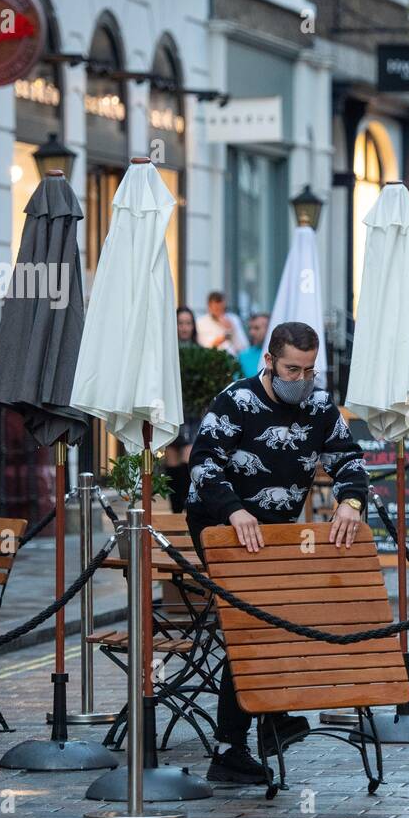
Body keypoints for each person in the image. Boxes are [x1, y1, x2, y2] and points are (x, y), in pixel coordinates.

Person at [185, 321, 369, 785]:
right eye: (292, 369)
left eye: (309, 371)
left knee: (284, 612)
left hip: (278, 530)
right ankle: (234, 745)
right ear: (269, 361)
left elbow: (349, 459)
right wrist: (233, 512)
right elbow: (204, 462)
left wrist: (350, 502)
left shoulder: (321, 405)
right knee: (251, 621)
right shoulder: (235, 401)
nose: (301, 380)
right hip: (219, 523)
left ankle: (271, 718)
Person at [164, 307, 200, 513]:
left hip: (193, 415)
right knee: (172, 461)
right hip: (172, 413)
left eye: (188, 323)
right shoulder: (168, 353)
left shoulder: (201, 352)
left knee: (188, 459)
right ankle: (175, 513)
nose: (184, 327)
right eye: (180, 323)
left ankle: (188, 512)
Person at [196, 291, 245, 355]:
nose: (220, 313)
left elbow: (243, 346)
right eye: (216, 309)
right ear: (209, 307)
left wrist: (232, 328)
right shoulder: (200, 322)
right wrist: (227, 334)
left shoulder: (233, 319)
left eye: (222, 309)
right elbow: (207, 347)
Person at [238, 312, 269, 378]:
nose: (251, 332)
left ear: (269, 329)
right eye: (250, 328)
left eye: (256, 328)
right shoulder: (243, 355)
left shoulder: (279, 355)